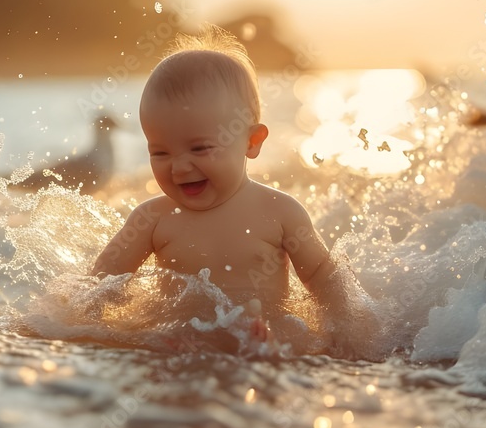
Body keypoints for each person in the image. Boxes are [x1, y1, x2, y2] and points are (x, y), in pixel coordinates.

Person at [91, 25, 378, 356]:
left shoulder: (280, 213)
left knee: (281, 345)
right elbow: (99, 283)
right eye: (160, 152)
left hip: (263, 342)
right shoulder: (151, 219)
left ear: (252, 141)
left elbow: (325, 280)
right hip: (179, 344)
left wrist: (346, 336)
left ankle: (270, 351)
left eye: (199, 149)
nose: (179, 167)